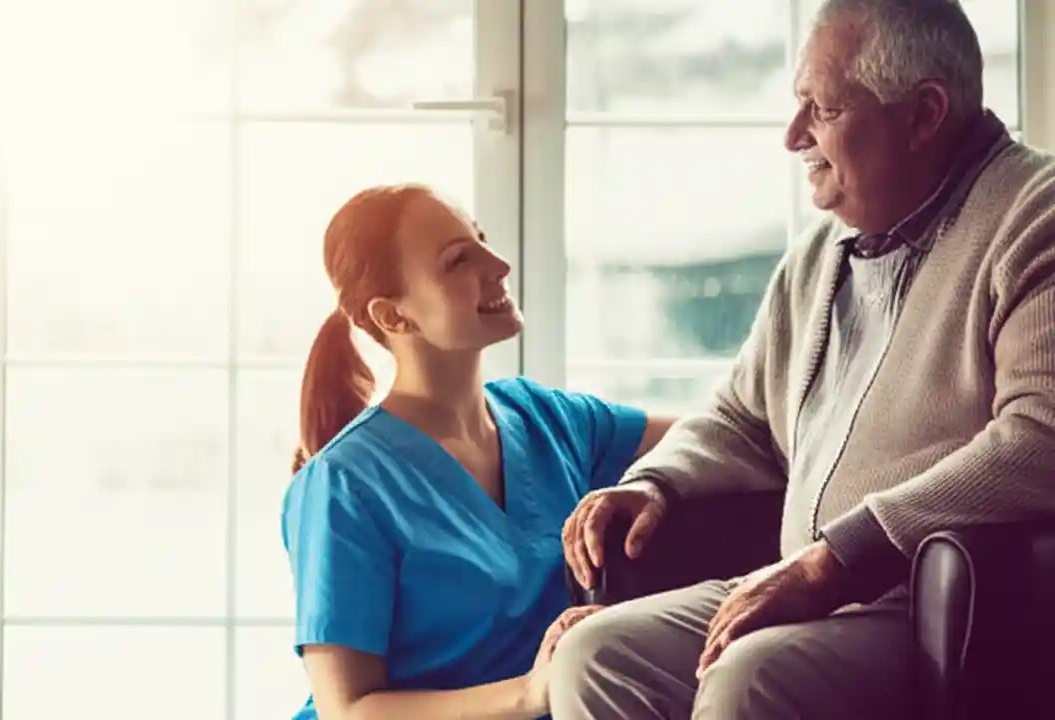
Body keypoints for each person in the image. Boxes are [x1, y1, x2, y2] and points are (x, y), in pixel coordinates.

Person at [552, 1, 1055, 718]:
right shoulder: (821, 253)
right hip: (803, 584)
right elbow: (741, 417)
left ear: (923, 115)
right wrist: (658, 482)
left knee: (746, 678)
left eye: (822, 109)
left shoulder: (1035, 219)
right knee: (595, 654)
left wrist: (836, 560)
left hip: (928, 609)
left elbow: (1041, 438)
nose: (794, 136)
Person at [281, 183, 676, 719]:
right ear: (393, 316)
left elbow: (721, 436)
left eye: (482, 240)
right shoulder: (343, 484)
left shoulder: (546, 418)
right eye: (458, 260)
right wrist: (531, 693)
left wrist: (656, 484)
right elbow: (349, 710)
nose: (500, 265)